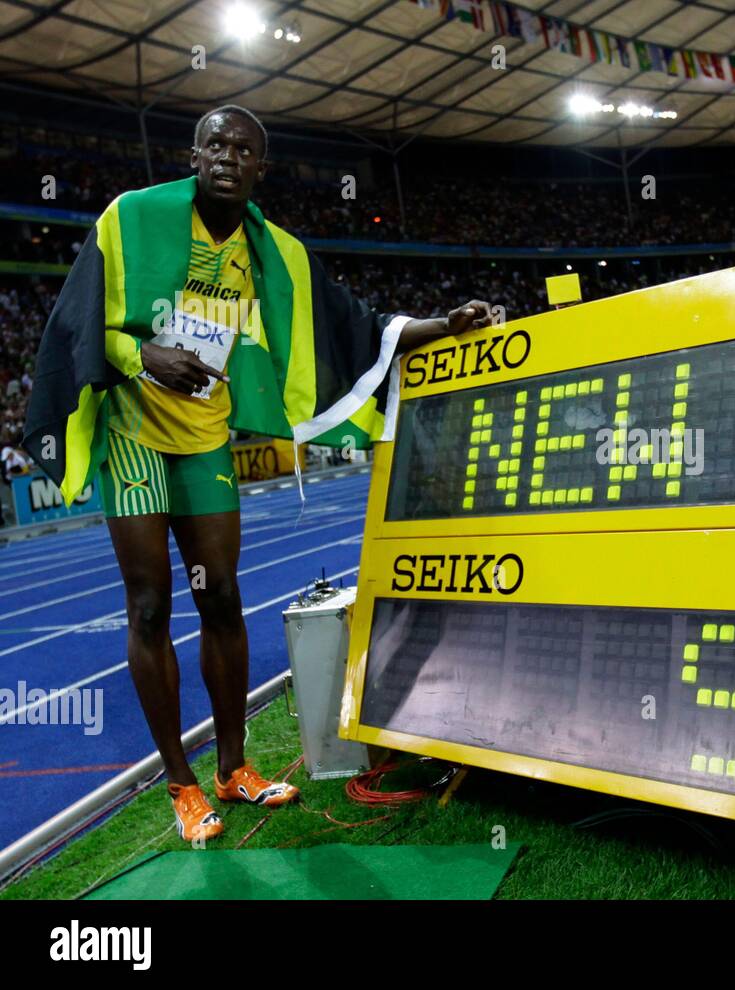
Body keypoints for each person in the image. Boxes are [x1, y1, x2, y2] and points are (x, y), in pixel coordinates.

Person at [22, 104, 489, 843]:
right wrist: (147, 356)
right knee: (148, 606)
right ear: (195, 153)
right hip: (135, 437)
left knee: (224, 599)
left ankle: (233, 769)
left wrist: (439, 325)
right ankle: (181, 784)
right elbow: (82, 324)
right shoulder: (130, 219)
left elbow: (348, 323)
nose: (227, 157)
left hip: (205, 437)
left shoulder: (275, 253)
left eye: (243, 149)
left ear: (259, 168)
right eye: (215, 144)